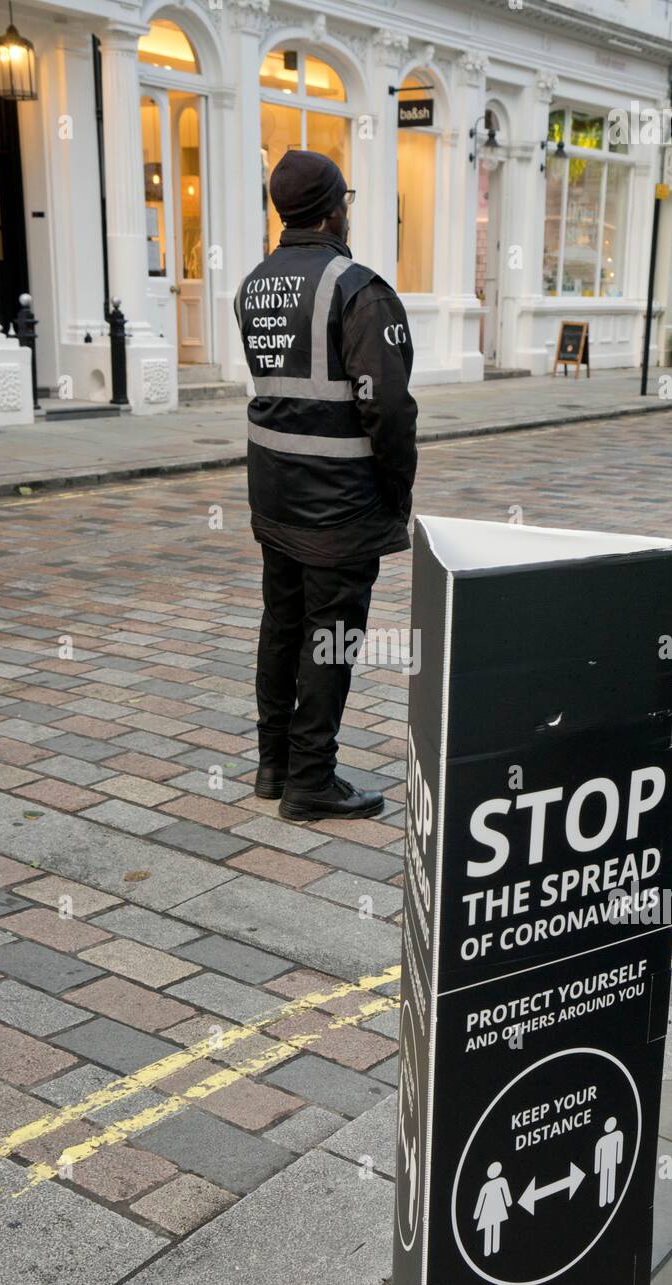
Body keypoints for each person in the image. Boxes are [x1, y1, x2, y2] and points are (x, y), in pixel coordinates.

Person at [235, 150, 418, 821]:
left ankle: (273, 764)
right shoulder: (357, 288)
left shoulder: (254, 284)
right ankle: (311, 780)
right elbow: (389, 411)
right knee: (329, 637)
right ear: (335, 208)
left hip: (273, 494)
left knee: (282, 625)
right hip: (339, 503)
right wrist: (394, 495)